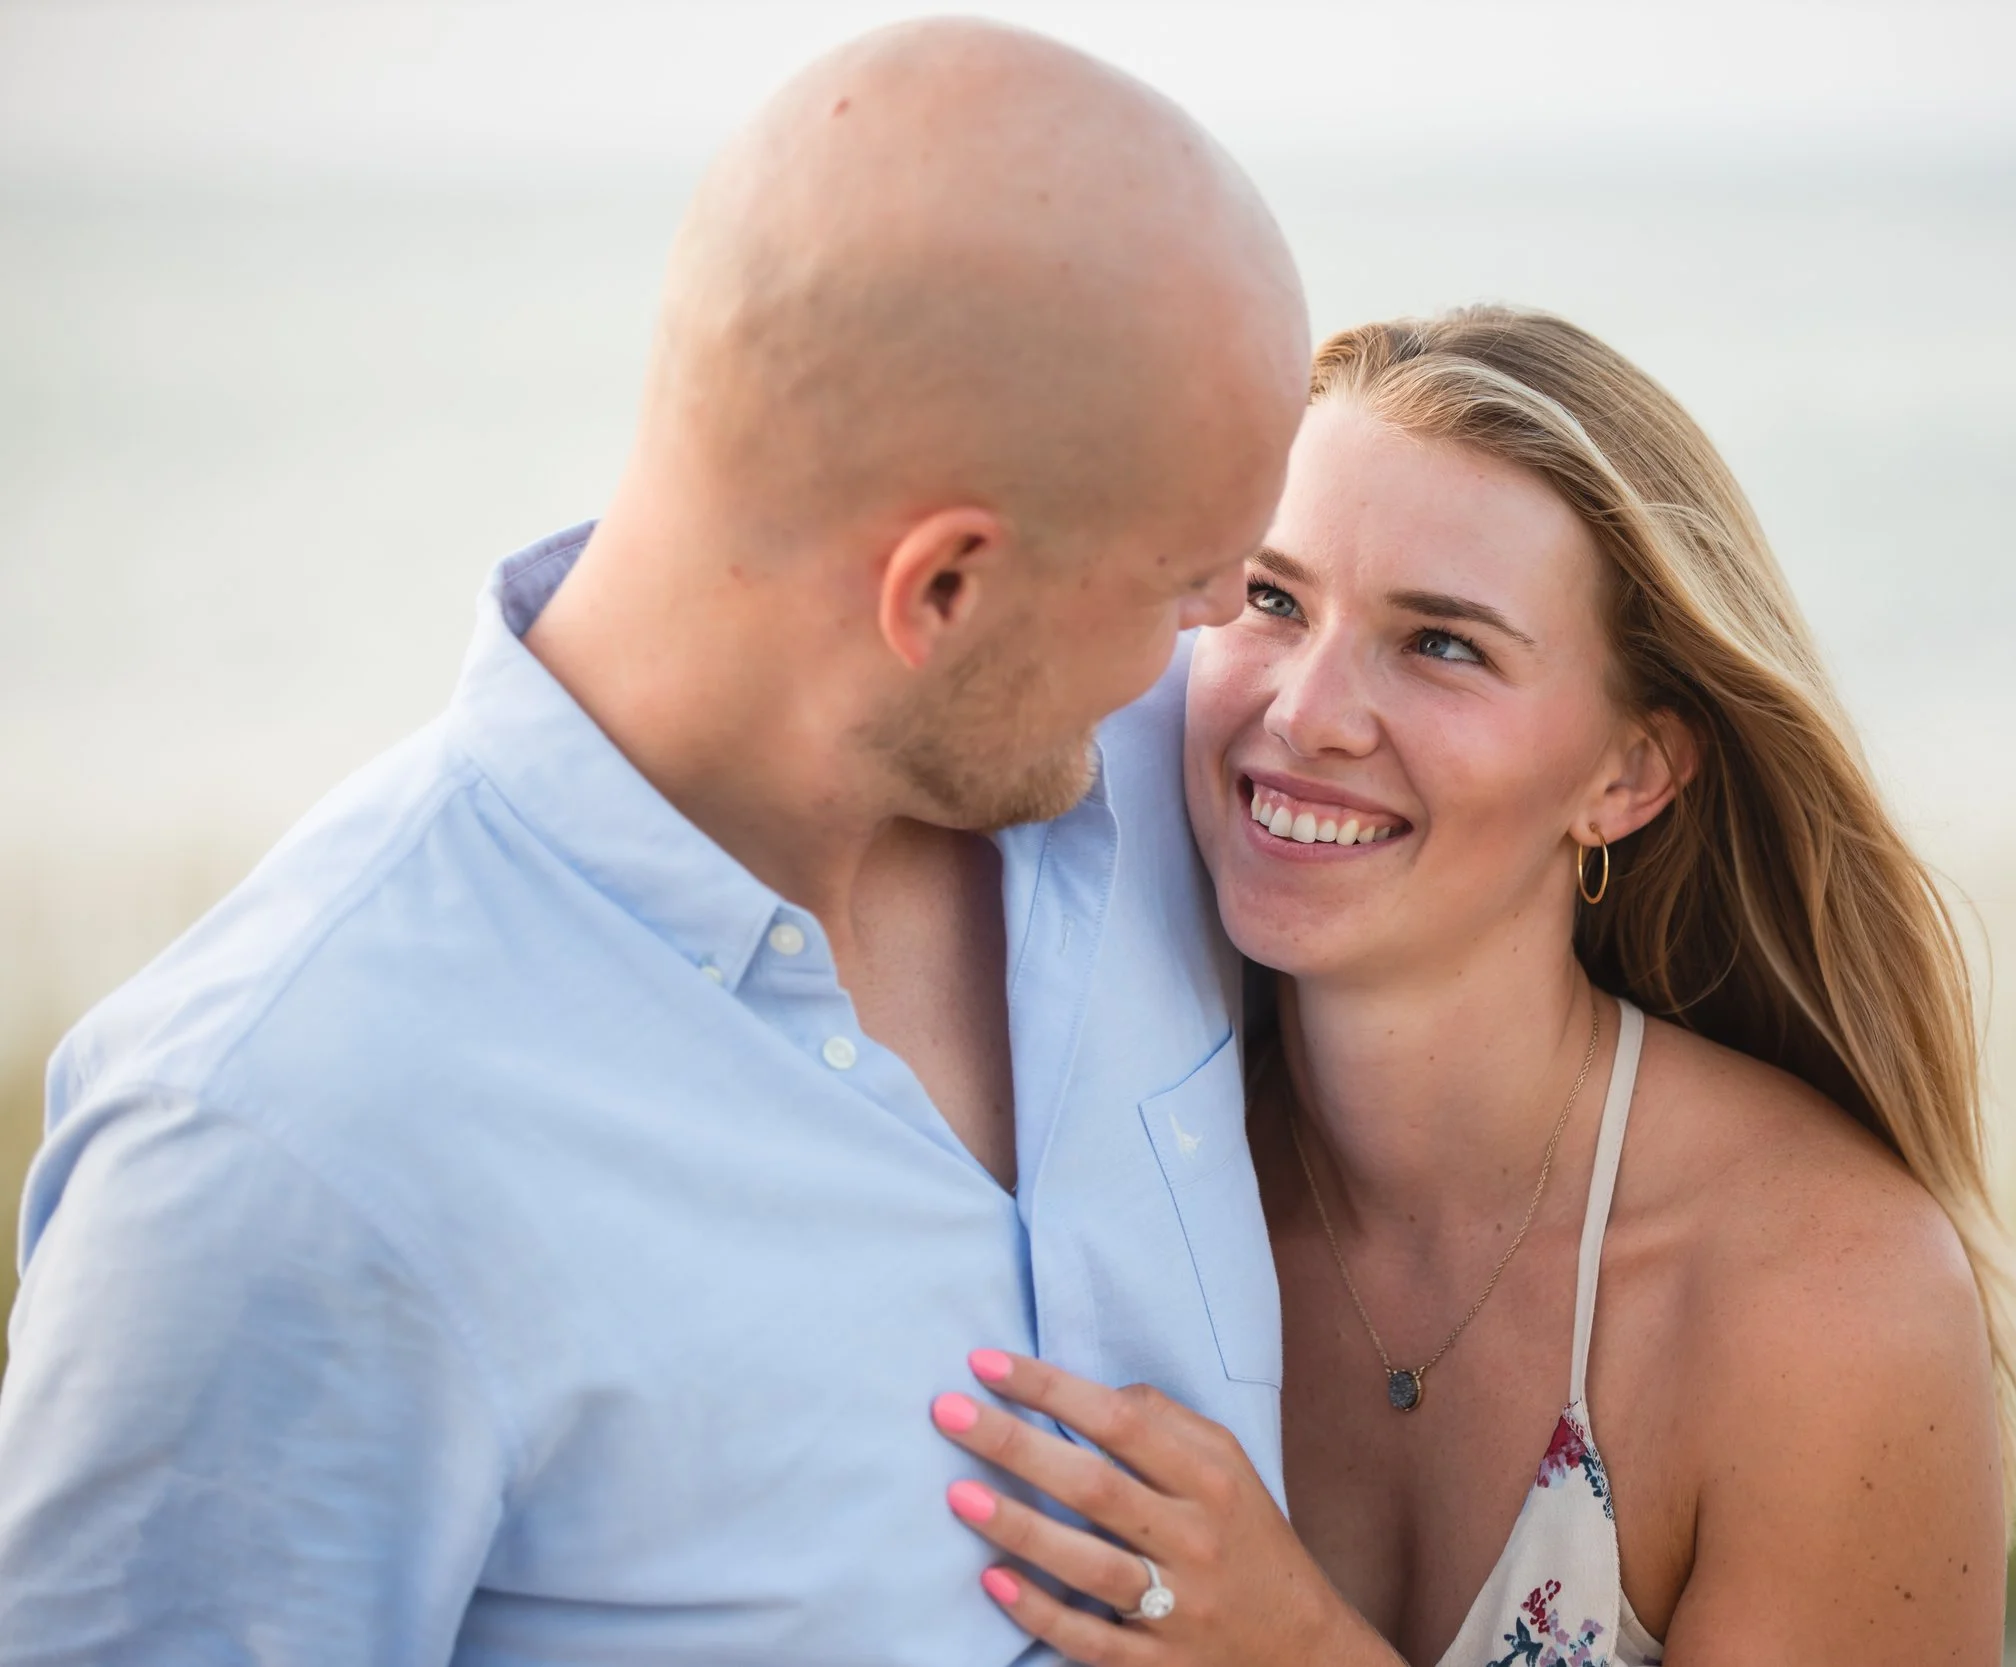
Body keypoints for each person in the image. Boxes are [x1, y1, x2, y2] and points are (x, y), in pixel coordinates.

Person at [0, 21, 1308, 1664]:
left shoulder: (1177, 791)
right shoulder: (277, 1154)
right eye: (1189, 581)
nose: (1225, 635)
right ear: (942, 591)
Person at [928, 308, 2016, 1665]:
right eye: (1273, 599)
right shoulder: (1128, 1183)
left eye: (1443, 644)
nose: (1304, 712)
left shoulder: (1825, 1296)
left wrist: (1302, 1650)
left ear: (1628, 776)